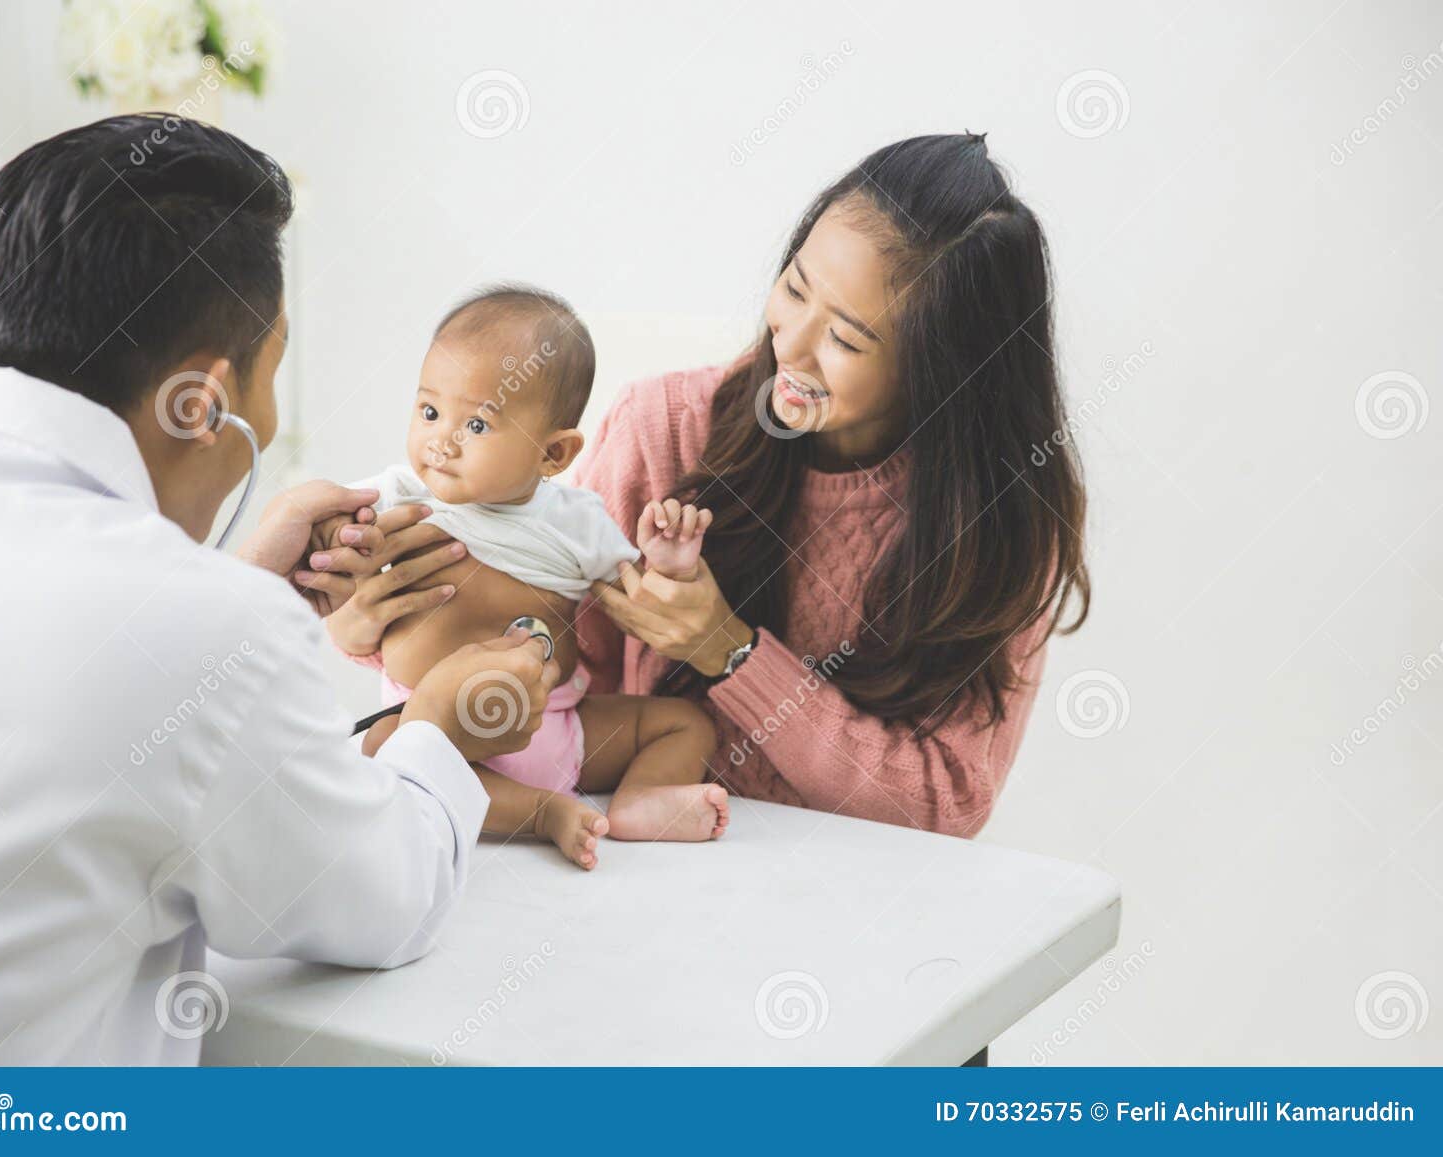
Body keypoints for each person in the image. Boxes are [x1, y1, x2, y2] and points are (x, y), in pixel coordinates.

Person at [0, 115, 554, 1066]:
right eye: (275, 367)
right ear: (207, 400)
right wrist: (436, 720)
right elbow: (388, 898)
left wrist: (234, 594)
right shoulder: (210, 633)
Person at [332, 135, 1091, 837]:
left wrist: (728, 651)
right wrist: (369, 632)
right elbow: (555, 669)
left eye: (847, 337)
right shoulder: (665, 427)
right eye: (794, 289)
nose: (787, 343)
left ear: (945, 368)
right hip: (641, 878)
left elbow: (944, 804)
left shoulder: (1003, 518)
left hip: (866, 902)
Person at [313, 284, 728, 871]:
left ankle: (641, 799)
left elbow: (642, 596)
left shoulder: (577, 520)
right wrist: (334, 541)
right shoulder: (399, 495)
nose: (443, 441)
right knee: (384, 748)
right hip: (441, 731)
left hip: (559, 725)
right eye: (430, 412)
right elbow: (331, 526)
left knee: (682, 722)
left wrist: (668, 563)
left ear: (554, 454)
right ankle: (542, 813)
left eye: (477, 426)